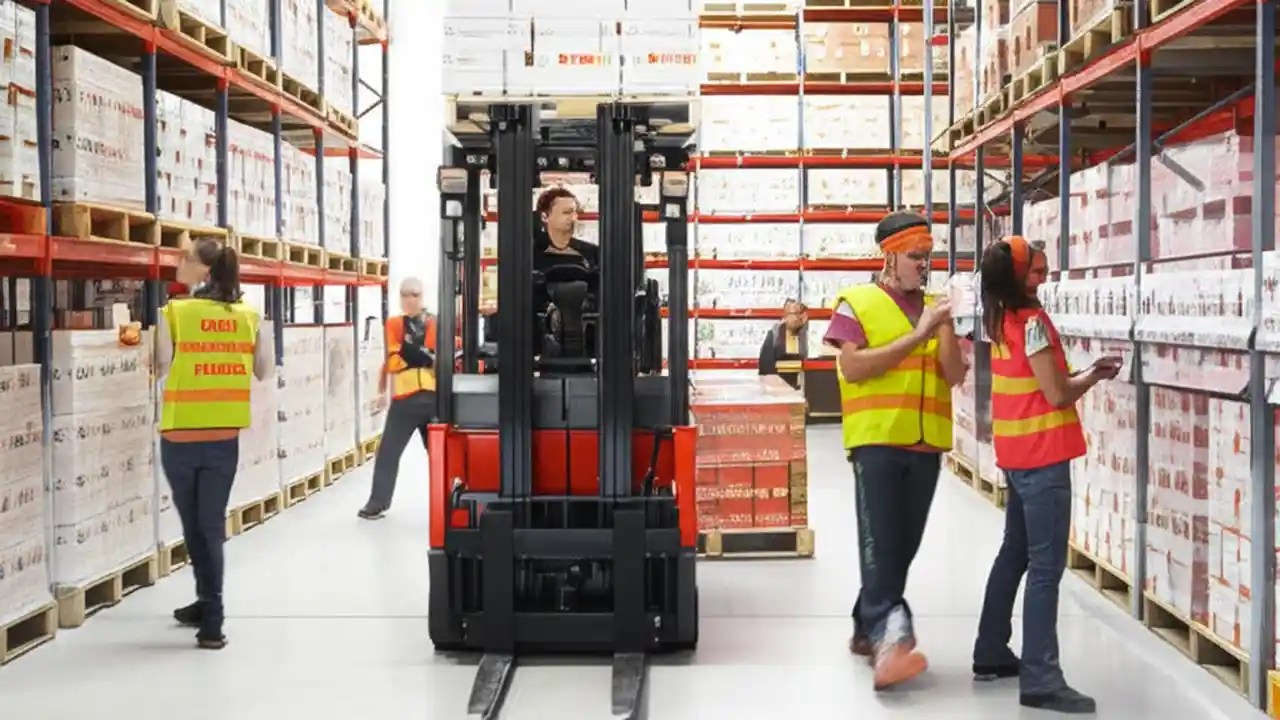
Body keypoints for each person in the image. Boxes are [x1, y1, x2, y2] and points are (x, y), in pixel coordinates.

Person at [972, 236, 1119, 714]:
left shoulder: (998, 316)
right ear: (1016, 277)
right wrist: (1095, 375)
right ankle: (1041, 677)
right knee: (1045, 568)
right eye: (1036, 272)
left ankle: (991, 649)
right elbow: (1056, 394)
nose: (1044, 278)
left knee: (1014, 552)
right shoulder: (1032, 323)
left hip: (1016, 455)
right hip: (1042, 456)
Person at [822, 210, 967, 690]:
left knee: (901, 548)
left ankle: (867, 628)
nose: (925, 265)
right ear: (889, 257)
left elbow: (955, 375)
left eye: (929, 257)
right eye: (915, 257)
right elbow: (855, 369)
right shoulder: (855, 303)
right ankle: (892, 642)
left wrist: (943, 326)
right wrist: (919, 334)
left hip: (925, 443)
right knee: (882, 543)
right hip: (877, 440)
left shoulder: (933, 308)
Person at [157, 237, 273, 650]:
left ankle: (213, 614)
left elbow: (158, 367)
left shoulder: (175, 313)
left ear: (204, 271)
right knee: (210, 527)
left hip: (180, 437)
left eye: (185, 258)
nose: (178, 261)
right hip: (223, 440)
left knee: (195, 528)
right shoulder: (249, 315)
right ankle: (208, 609)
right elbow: (265, 371)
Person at [358, 277, 439, 520]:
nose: (409, 300)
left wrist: (412, 351)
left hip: (433, 396)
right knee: (388, 452)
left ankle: (454, 501)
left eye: (414, 294)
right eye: (404, 295)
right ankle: (377, 503)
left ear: (422, 296)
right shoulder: (393, 323)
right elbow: (394, 360)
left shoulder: (435, 322)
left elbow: (435, 355)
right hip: (405, 399)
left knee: (440, 454)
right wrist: (421, 354)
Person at [534, 186, 598, 275]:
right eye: (567, 212)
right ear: (544, 217)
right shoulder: (530, 254)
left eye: (576, 212)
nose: (574, 218)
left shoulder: (591, 252)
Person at [757, 299, 809, 389]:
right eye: (795, 314)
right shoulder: (775, 335)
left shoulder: (804, 335)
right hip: (776, 386)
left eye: (800, 314)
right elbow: (765, 365)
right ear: (785, 316)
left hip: (797, 387)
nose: (798, 318)